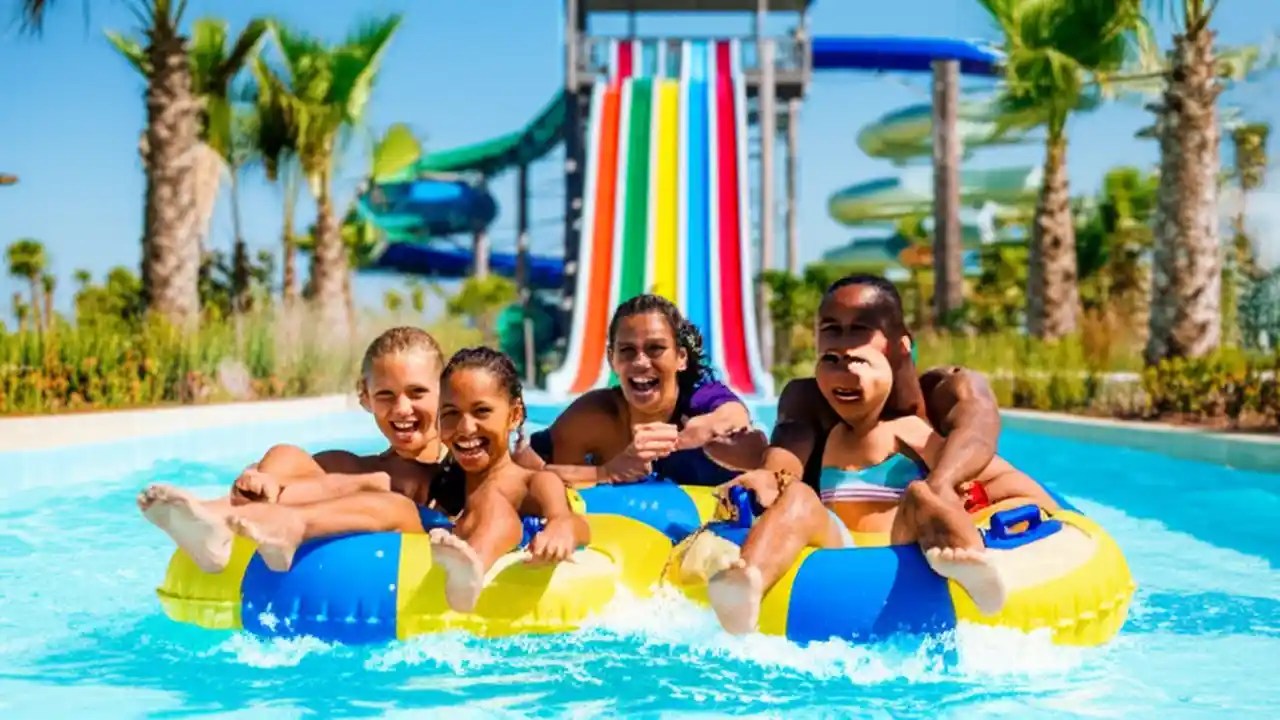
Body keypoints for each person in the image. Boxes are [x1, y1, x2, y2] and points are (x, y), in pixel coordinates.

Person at [706, 342, 1060, 634]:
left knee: (922, 495)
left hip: (901, 541)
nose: (844, 372)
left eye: (858, 361)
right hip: (841, 542)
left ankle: (970, 567)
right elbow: (781, 471)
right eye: (831, 361)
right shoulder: (829, 435)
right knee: (800, 497)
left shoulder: (910, 430)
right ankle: (749, 582)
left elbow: (990, 475)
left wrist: (1042, 513)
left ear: (893, 372)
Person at [722, 275, 1007, 554]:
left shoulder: (943, 390)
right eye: (832, 329)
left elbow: (979, 425)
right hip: (830, 537)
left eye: (861, 328)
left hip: (922, 531)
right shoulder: (807, 397)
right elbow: (787, 451)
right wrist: (769, 477)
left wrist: (941, 484)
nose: (845, 342)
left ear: (901, 344)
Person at [135, 326, 454, 573]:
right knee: (285, 454)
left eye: (417, 393)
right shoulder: (353, 466)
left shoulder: (459, 463)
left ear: (446, 391)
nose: (402, 408)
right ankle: (214, 519)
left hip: (414, 561)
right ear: (365, 396)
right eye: (386, 395)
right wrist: (256, 478)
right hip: (340, 536)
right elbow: (310, 481)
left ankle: (226, 518)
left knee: (390, 502)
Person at [518, 294, 767, 487]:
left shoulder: (701, 400)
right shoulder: (595, 417)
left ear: (681, 357)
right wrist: (606, 473)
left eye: (655, 348)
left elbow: (734, 418)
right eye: (627, 350)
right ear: (612, 359)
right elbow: (524, 474)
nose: (640, 362)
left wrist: (694, 434)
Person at [424, 346, 591, 612]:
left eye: (481, 411)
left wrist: (562, 529)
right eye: (451, 414)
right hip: (459, 549)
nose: (466, 428)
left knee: (496, 508)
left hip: (513, 550)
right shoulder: (445, 492)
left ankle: (473, 567)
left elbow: (573, 521)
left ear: (514, 416)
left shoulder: (533, 482)